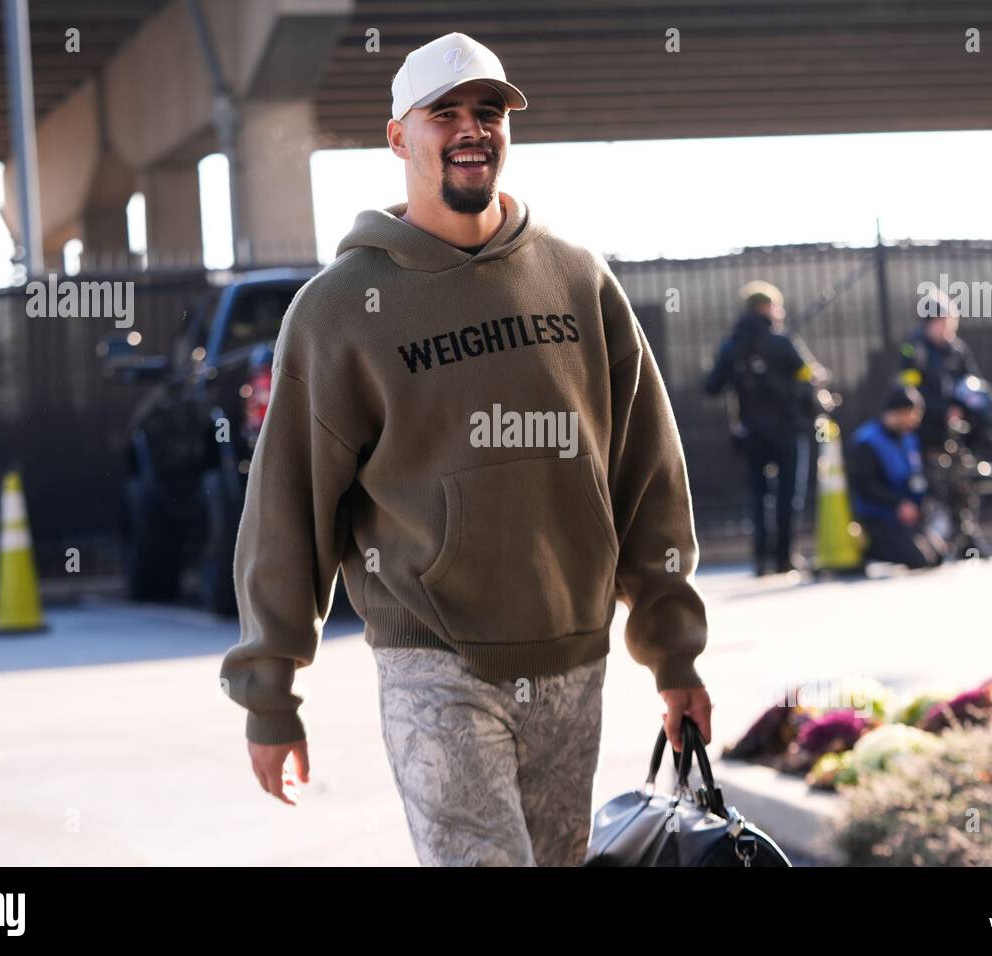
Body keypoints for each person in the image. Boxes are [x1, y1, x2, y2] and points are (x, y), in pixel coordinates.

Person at [218, 32, 712, 867]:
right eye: (444, 112)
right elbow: (286, 507)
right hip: (435, 661)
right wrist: (270, 692)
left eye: (488, 111)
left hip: (572, 656)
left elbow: (646, 472)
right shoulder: (339, 310)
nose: (471, 127)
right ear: (398, 137)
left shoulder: (577, 278)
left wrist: (674, 654)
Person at [703, 280, 824, 575]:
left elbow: (711, 386)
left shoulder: (731, 345)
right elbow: (810, 376)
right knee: (787, 494)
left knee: (758, 495)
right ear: (767, 307)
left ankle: (761, 559)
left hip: (751, 432)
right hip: (787, 430)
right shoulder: (782, 341)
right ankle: (785, 556)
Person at [899, 291, 992, 558]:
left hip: (956, 433)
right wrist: (942, 410)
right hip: (925, 433)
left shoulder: (957, 349)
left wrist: (963, 409)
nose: (948, 328)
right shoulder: (913, 349)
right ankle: (932, 540)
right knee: (932, 486)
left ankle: (966, 536)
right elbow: (909, 392)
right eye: (943, 322)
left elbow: (973, 383)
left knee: (964, 483)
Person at [846, 385, 944, 569]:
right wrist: (897, 504)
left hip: (906, 519)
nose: (915, 420)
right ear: (898, 412)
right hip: (878, 517)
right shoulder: (867, 442)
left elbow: (916, 476)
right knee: (918, 559)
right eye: (912, 414)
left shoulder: (909, 439)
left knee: (938, 556)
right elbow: (865, 485)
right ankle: (869, 549)